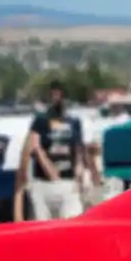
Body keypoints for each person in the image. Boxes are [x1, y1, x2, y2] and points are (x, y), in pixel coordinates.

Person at [21, 81, 86, 220]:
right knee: (42, 226)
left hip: (68, 181)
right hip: (43, 183)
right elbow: (35, 145)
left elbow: (78, 147)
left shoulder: (74, 121)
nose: (57, 97)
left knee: (72, 223)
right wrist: (48, 168)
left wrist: (79, 170)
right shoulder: (40, 120)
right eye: (54, 93)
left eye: (60, 93)